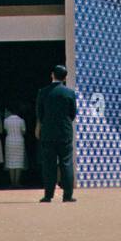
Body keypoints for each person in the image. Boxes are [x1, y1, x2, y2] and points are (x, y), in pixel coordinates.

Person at [36, 65, 78, 203]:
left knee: (49, 164)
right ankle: (68, 195)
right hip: (65, 132)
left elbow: (40, 114)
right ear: (65, 77)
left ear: (52, 75)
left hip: (48, 132)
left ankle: (48, 194)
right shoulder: (69, 93)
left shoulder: (43, 92)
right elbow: (73, 114)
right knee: (66, 163)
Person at [3, 107, 27, 185]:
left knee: (10, 162)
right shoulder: (21, 120)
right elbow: (23, 131)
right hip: (19, 141)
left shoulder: (6, 120)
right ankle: (17, 182)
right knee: (19, 162)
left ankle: (12, 181)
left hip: (9, 141)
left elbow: (6, 130)